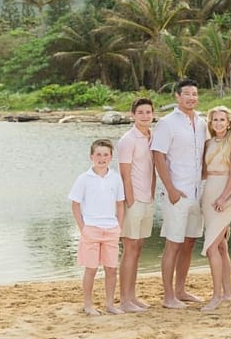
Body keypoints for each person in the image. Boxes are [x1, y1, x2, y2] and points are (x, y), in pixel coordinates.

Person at [150, 78, 207, 309]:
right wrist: (171, 189)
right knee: (173, 243)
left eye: (194, 94)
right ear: (177, 96)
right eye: (187, 94)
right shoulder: (167, 123)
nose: (191, 98)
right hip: (177, 193)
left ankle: (181, 290)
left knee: (189, 242)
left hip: (197, 193)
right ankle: (168, 296)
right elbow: (158, 156)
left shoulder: (202, 123)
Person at [68, 138, 125, 316]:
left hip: (111, 229)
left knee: (111, 268)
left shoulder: (115, 178)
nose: (102, 158)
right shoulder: (84, 179)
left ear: (111, 157)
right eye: (98, 155)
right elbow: (75, 204)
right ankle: (88, 304)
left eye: (106, 155)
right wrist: (82, 228)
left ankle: (110, 304)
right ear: (91, 156)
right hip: (91, 229)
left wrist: (119, 227)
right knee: (91, 268)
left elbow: (120, 204)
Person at [200, 105, 231, 311]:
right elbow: (202, 172)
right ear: (211, 123)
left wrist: (224, 198)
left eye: (222, 120)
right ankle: (227, 293)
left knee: (211, 247)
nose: (218, 123)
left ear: (229, 123)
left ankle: (216, 296)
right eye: (215, 120)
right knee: (221, 246)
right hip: (208, 193)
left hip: (223, 196)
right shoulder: (207, 143)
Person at [116, 97, 156, 312]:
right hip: (133, 202)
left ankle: (132, 296)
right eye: (140, 112)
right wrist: (130, 202)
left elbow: (153, 168)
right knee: (129, 248)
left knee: (138, 249)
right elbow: (125, 175)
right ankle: (124, 300)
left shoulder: (151, 136)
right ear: (133, 115)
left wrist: (151, 194)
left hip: (147, 200)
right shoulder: (127, 140)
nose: (145, 116)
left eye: (148, 112)